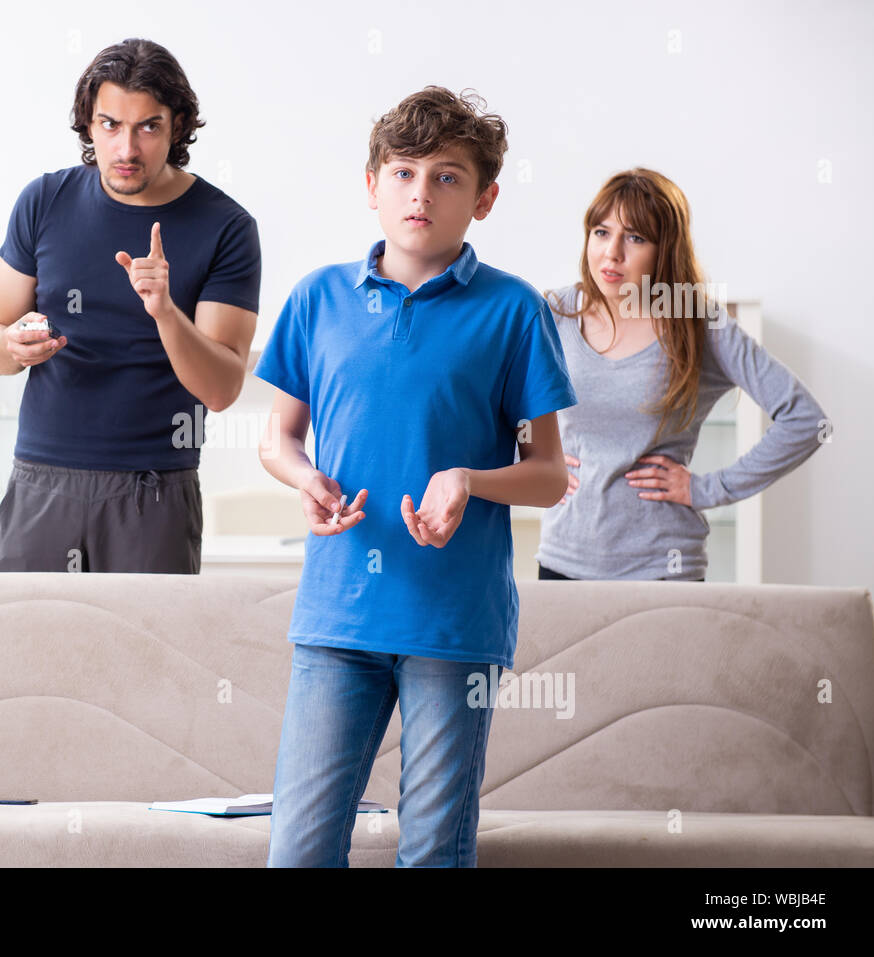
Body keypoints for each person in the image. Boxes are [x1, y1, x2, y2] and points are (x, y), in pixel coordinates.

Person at [253, 86, 577, 867]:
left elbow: (548, 472)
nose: (420, 193)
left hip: (452, 628)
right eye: (401, 172)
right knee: (299, 852)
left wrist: (468, 477)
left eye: (447, 176)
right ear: (372, 186)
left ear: (485, 197)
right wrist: (305, 480)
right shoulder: (317, 298)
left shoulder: (513, 312)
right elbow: (278, 439)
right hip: (337, 617)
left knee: (432, 851)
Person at [0, 37, 262, 574]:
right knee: (28, 652)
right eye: (110, 125)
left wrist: (165, 312)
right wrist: (12, 344)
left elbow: (223, 389)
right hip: (41, 480)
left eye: (148, 127)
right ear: (89, 123)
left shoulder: (227, 227)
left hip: (153, 491)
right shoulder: (43, 201)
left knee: (147, 659)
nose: (126, 149)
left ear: (177, 125)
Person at [536, 168, 828, 581]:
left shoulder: (698, 323)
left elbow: (808, 421)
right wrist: (528, 460)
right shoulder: (553, 312)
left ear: (664, 249)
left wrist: (708, 489)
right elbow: (492, 404)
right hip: (563, 561)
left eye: (635, 238)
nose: (611, 253)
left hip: (664, 567)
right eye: (601, 232)